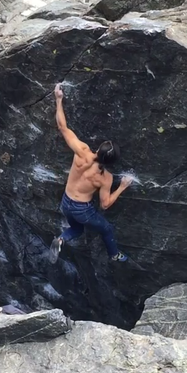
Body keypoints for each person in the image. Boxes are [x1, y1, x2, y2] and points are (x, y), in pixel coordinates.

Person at [49, 83, 132, 263]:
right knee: (107, 229)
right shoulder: (105, 178)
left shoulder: (82, 152)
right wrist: (122, 187)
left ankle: (61, 239)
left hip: (66, 202)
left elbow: (63, 127)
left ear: (99, 149)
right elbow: (105, 205)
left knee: (77, 229)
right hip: (81, 209)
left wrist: (58, 99)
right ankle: (114, 255)